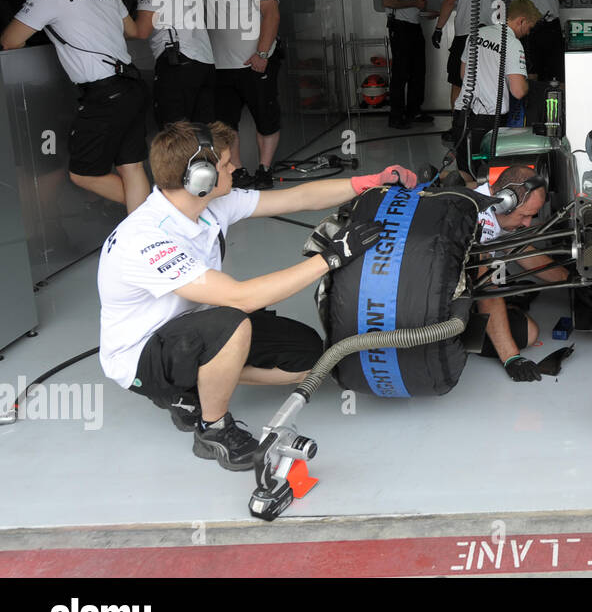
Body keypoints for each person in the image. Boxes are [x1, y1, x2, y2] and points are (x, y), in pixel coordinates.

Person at [97, 120, 416, 470]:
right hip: (143, 356)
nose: (235, 167)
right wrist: (331, 258)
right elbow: (240, 297)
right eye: (225, 164)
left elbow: (296, 197)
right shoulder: (146, 239)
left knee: (309, 359)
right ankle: (213, 429)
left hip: (193, 327)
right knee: (232, 322)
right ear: (199, 177)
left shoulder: (207, 205)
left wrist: (370, 182)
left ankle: (192, 390)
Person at [2, 0, 150, 212]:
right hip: (131, 84)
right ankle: (150, 232)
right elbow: (131, 30)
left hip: (104, 95)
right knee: (131, 168)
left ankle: (161, 212)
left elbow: (9, 41)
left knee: (83, 173)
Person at [194, 0, 283, 189]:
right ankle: (238, 170)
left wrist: (262, 54)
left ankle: (265, 169)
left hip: (255, 64)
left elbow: (272, 15)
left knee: (266, 120)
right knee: (226, 125)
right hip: (219, 67)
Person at [470, 164, 568, 380]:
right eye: (525, 215)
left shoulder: (488, 202)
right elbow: (488, 290)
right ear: (505, 202)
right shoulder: (477, 225)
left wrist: (571, 280)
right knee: (528, 333)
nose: (527, 223)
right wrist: (511, 357)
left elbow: (522, 251)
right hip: (437, 312)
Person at [115, 0, 216, 129]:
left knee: (174, 136)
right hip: (204, 62)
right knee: (204, 134)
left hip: (177, 66)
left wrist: (109, 28)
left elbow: (141, 31)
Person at [453, 0, 539, 174]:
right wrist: (529, 86)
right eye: (529, 27)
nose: (527, 33)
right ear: (521, 20)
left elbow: (463, 75)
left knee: (465, 171)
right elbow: (518, 91)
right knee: (485, 175)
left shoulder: (476, 34)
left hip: (462, 113)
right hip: (488, 120)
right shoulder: (513, 43)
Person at [433, 0, 502, 110]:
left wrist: (438, 28)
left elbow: (450, 1)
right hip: (489, 37)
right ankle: (479, 123)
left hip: (466, 34)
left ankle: (458, 125)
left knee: (458, 81)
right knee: (484, 80)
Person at [382, 0, 436, 130]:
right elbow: (387, 1)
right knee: (401, 72)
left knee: (418, 71)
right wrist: (414, 2)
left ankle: (414, 110)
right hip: (400, 28)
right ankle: (396, 116)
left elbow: (414, 8)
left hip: (415, 27)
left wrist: (426, 13)